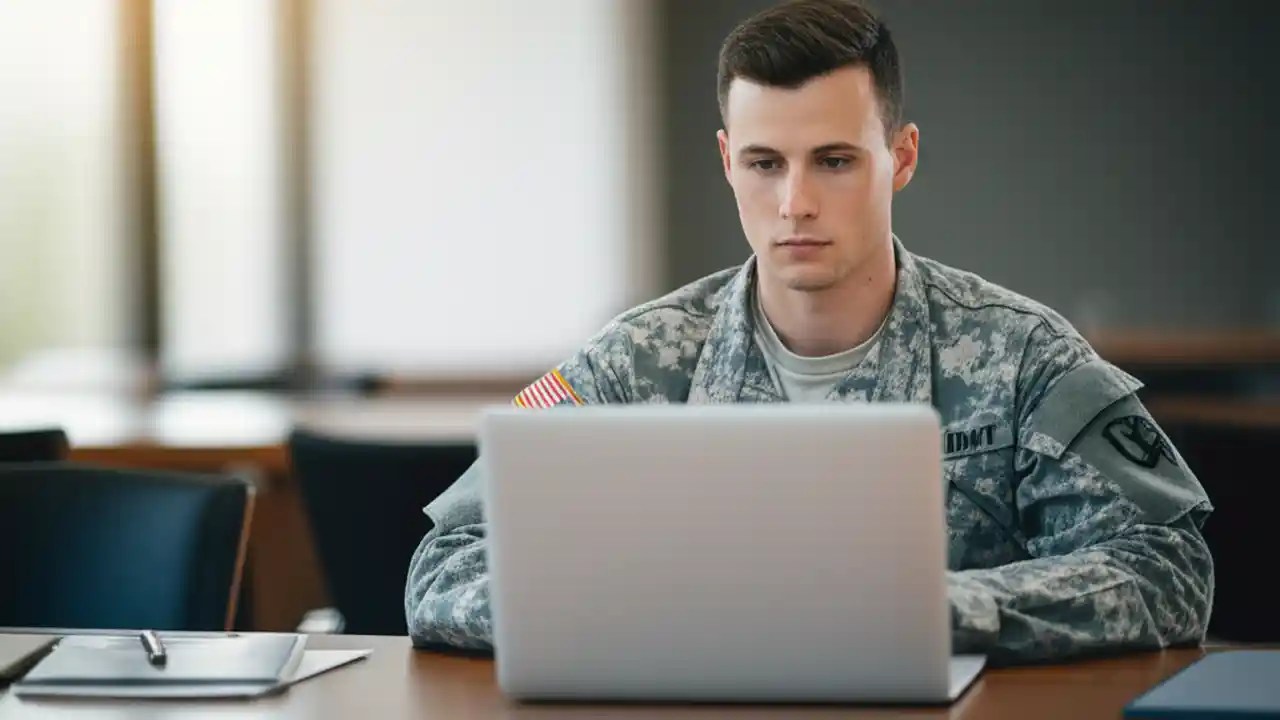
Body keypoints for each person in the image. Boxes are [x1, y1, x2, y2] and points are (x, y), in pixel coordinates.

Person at [405, 0, 1213, 665]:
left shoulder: (1023, 358)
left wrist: (931, 612)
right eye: (764, 163)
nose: (795, 202)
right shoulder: (636, 362)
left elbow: (1167, 566)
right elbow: (445, 567)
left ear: (901, 157)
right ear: (727, 162)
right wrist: (648, 614)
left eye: (833, 161)